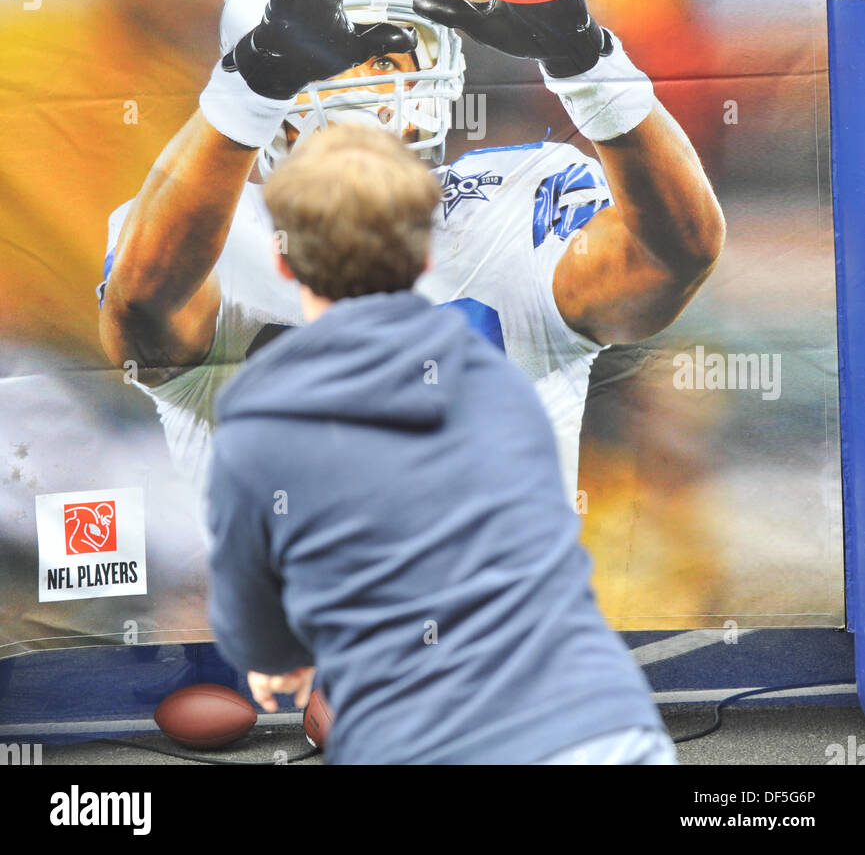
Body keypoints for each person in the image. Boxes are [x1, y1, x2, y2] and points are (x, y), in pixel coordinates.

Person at [98, 0, 724, 509]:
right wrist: (249, 88)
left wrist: (590, 67)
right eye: (332, 58)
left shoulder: (512, 205)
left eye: (388, 58)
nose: (372, 90)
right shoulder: (204, 237)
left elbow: (677, 255)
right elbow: (143, 308)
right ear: (267, 86)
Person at [206, 123, 677, 766]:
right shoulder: (497, 376)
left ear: (283, 262)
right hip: (602, 719)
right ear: (428, 254)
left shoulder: (260, 415)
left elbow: (252, 623)